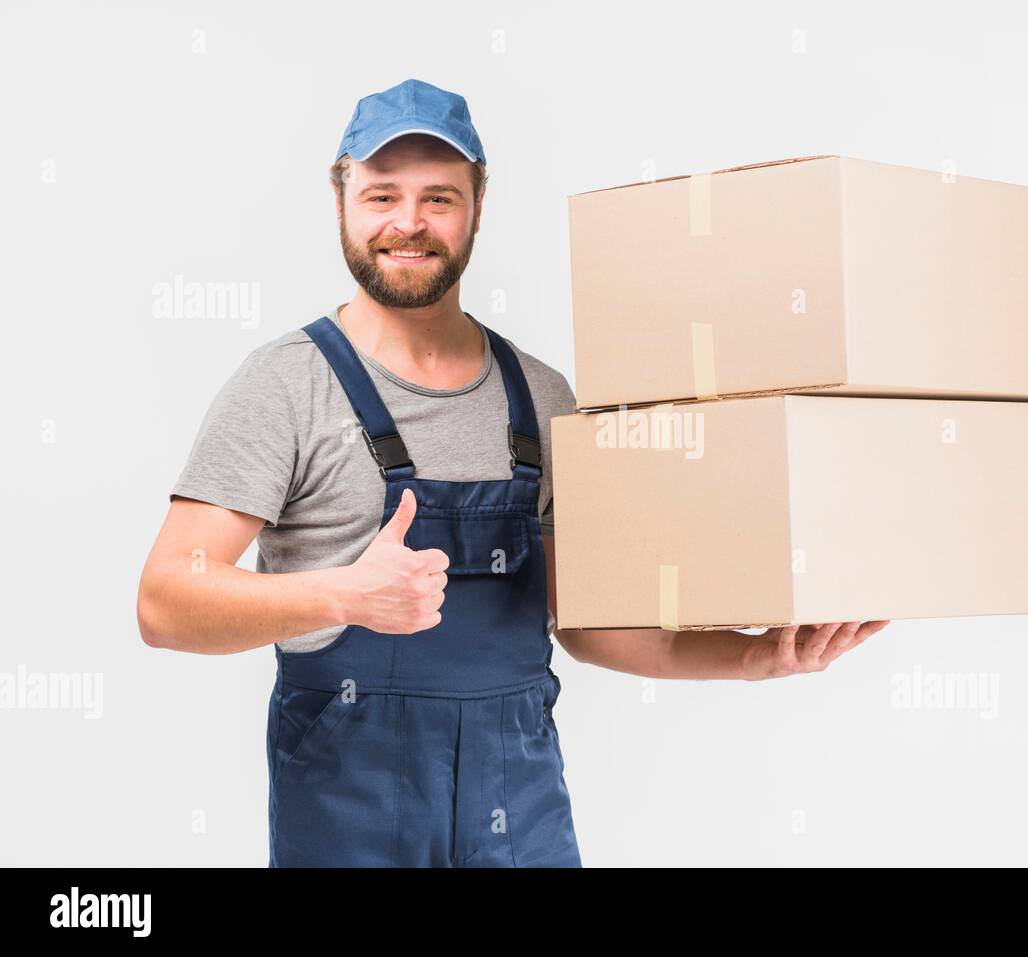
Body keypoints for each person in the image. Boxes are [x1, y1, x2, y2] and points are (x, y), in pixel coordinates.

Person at [136, 78, 890, 868]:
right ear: (341, 202)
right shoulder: (287, 384)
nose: (408, 222)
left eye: (439, 197)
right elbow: (165, 600)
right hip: (348, 816)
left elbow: (589, 623)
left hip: (520, 816)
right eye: (381, 195)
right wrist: (340, 595)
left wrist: (754, 656)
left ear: (478, 206)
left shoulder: (540, 395)